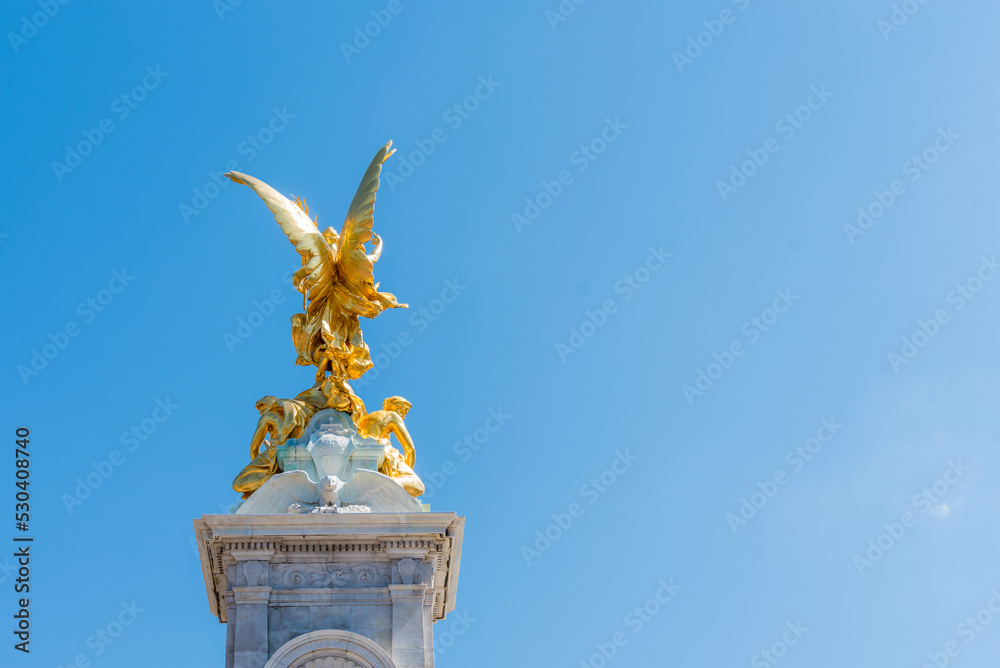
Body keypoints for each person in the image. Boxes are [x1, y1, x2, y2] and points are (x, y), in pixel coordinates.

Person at [356, 397, 425, 498]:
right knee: (418, 486)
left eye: (405, 412)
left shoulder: (367, 418)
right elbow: (410, 449)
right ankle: (389, 483)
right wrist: (406, 472)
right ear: (388, 406)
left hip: (362, 448)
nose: (403, 415)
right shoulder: (393, 416)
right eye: (401, 409)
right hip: (381, 450)